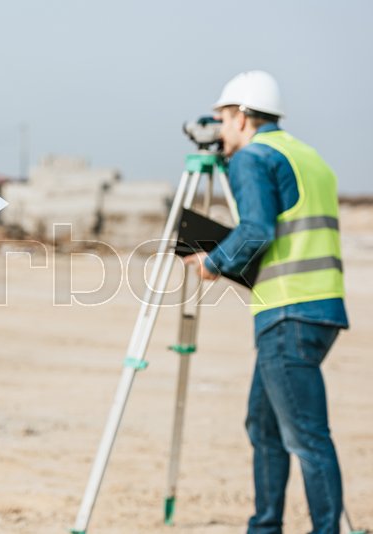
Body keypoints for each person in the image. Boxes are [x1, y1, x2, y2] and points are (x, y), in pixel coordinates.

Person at [184, 70, 348, 534]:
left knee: (307, 437)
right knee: (264, 425)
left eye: (222, 118)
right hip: (320, 308)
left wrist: (213, 262)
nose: (219, 130)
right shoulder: (305, 155)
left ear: (241, 116)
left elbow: (256, 229)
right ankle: (265, 526)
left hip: (289, 311)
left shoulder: (253, 158)